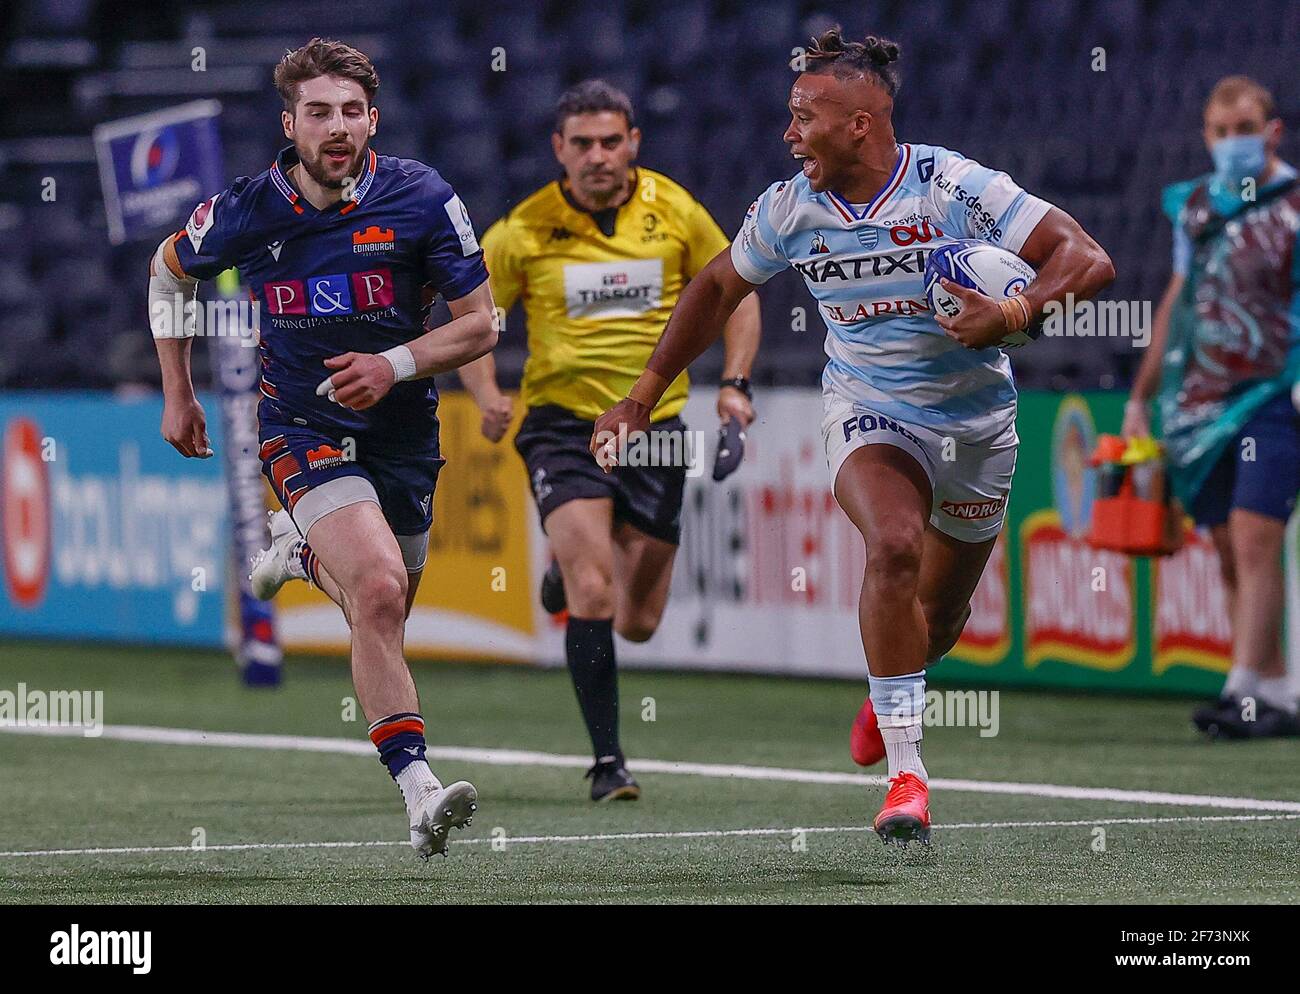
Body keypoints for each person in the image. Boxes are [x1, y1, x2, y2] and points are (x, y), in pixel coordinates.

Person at [591, 29, 1113, 844]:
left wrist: (1013, 312)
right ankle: (909, 776)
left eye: (804, 117)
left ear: (860, 124)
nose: (789, 133)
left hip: (978, 426)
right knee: (895, 546)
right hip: (871, 409)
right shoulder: (789, 208)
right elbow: (717, 285)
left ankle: (885, 696)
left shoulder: (949, 186)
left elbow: (1087, 260)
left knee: (940, 620)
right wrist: (642, 395)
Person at [149, 38, 498, 857]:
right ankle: (418, 792)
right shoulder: (247, 208)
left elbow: (482, 324)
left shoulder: (422, 197)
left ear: (372, 119)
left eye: (350, 111)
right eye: (318, 113)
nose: (336, 127)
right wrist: (178, 389)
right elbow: (169, 274)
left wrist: (393, 363)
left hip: (404, 433)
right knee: (376, 591)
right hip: (301, 428)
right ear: (290, 124)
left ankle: (299, 555)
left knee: (389, 602)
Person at [458, 80, 762, 802]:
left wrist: (736, 384)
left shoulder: (676, 210)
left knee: (641, 621)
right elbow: (473, 320)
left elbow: (738, 292)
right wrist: (487, 394)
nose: (597, 156)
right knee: (595, 592)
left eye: (610, 141)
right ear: (558, 150)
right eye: (581, 144)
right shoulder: (523, 230)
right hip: (565, 426)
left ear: (634, 142)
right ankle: (607, 763)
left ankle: (565, 573)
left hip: (655, 428)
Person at [1124, 75, 1300, 739]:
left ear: (1273, 131)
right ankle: (1278, 692)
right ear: (1206, 135)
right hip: (1203, 396)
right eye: (1223, 132)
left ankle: (1243, 691)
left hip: (1276, 388)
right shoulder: (1195, 207)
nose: (1234, 143)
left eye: (1246, 129)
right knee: (1229, 546)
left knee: (1259, 536)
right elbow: (1179, 299)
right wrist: (1142, 394)